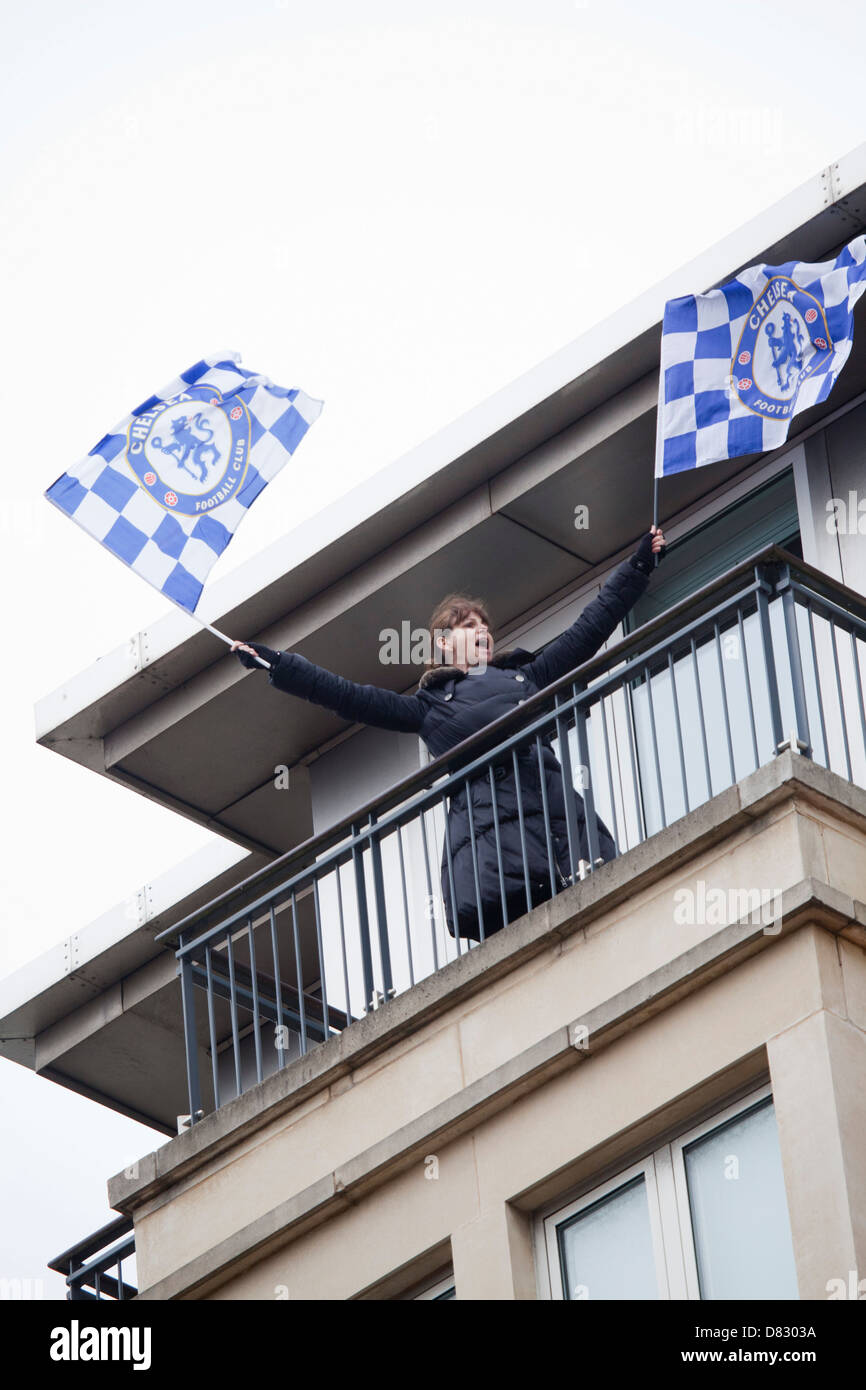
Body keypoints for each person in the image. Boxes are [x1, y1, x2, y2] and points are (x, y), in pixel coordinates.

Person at [233, 526, 667, 941]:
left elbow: (589, 628)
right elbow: (348, 696)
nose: (482, 629)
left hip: (561, 832)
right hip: (497, 855)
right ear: (443, 644)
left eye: (484, 624)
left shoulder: (529, 675)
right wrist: (279, 665)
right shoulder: (429, 707)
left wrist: (639, 564)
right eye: (468, 625)